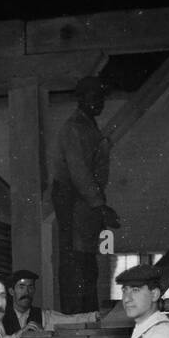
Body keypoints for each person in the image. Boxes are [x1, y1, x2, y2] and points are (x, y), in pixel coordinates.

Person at [50, 77, 122, 314]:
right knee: (76, 264)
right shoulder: (75, 128)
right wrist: (101, 207)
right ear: (81, 98)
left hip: (85, 205)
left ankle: (86, 318)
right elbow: (79, 170)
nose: (99, 101)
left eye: (101, 96)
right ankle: (76, 321)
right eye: (94, 96)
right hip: (73, 200)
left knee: (86, 264)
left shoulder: (89, 127)